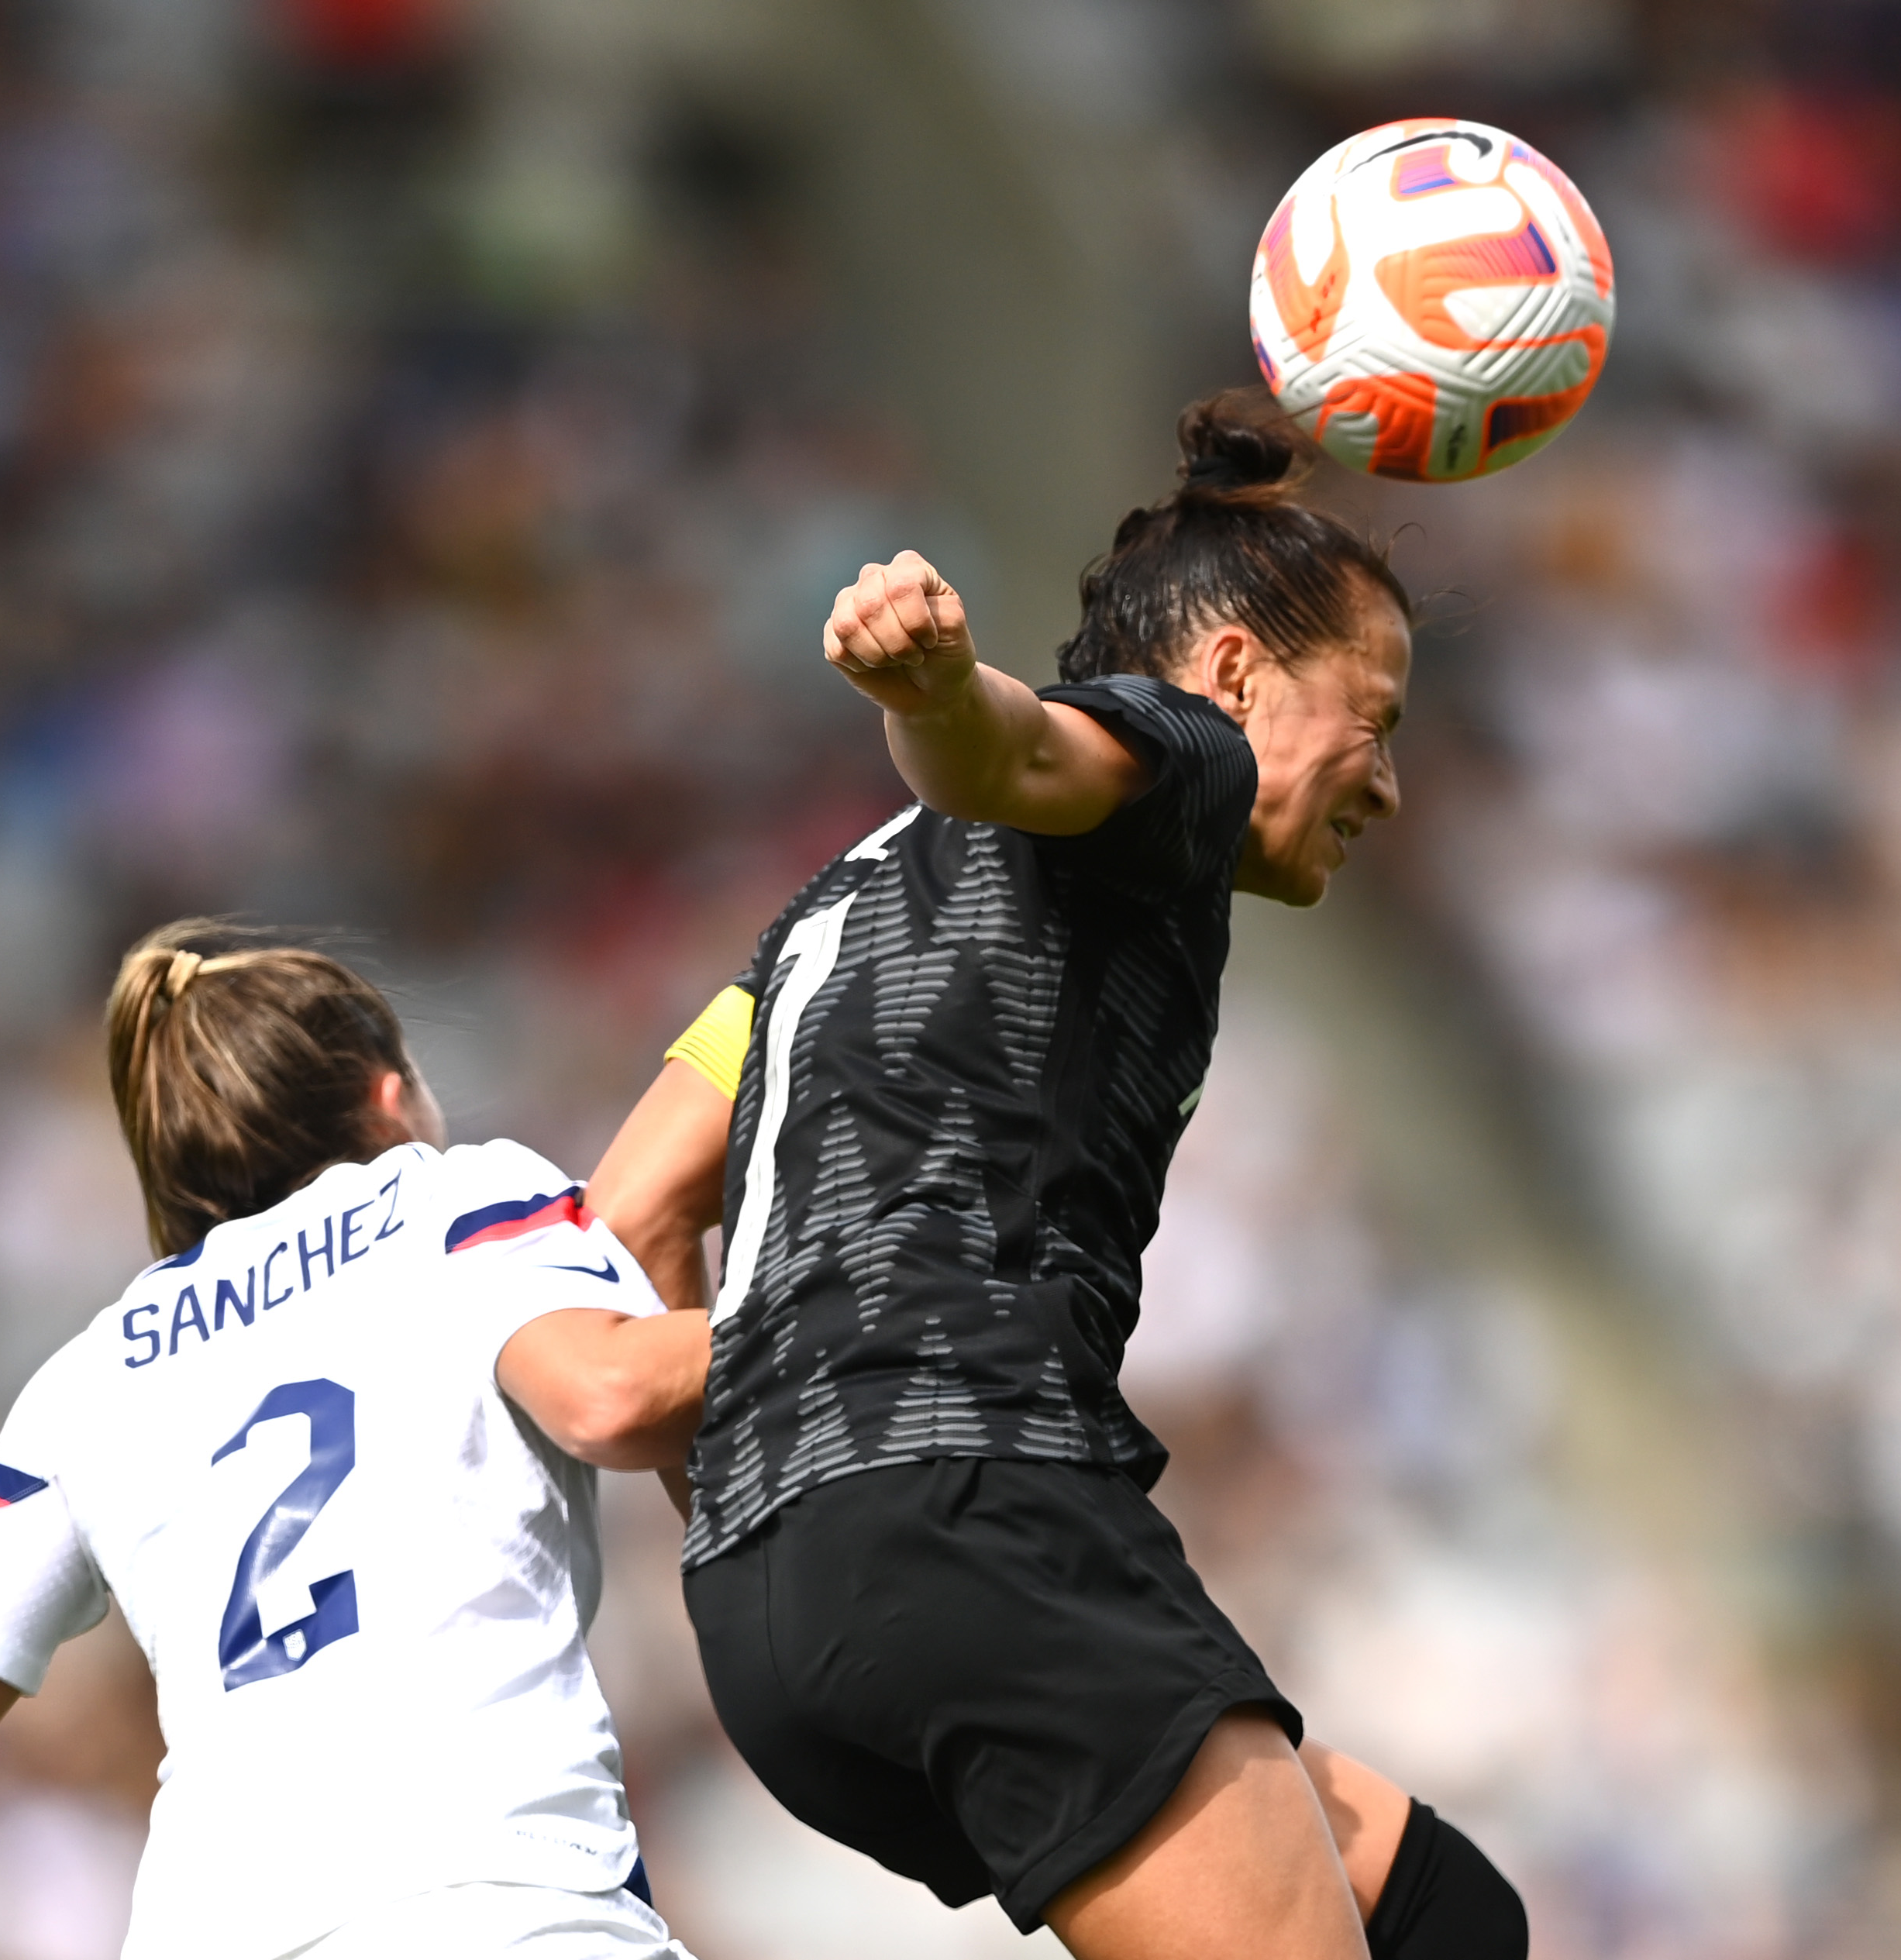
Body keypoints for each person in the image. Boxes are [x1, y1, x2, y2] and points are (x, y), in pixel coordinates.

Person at [587, 392, 1527, 1960]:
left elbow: (630, 1212)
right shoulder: (1184, 759)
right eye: (1375, 721)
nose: (1389, 784)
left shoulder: (822, 910)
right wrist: (935, 686)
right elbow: (1009, 748)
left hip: (768, 1607)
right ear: (1235, 676)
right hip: (975, 1503)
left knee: (1437, 1915)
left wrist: (764, 1490)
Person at [0, 923, 712, 1959]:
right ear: (388, 1097)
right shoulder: (457, 1197)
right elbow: (609, 1395)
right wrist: (854, 1306)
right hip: (487, 1905)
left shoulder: (88, 1378)